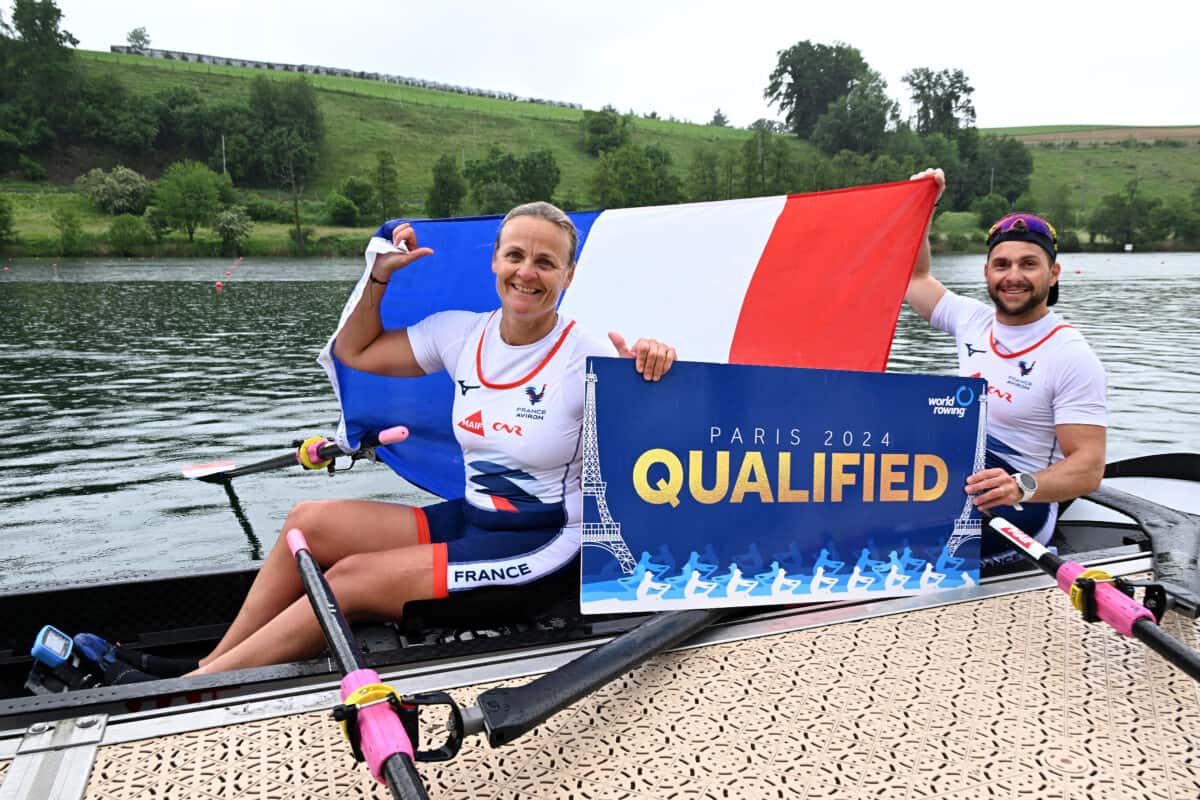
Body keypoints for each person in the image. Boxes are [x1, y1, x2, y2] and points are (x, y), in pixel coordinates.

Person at [81, 202, 677, 682]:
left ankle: (178, 695)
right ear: (495, 262)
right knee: (306, 524)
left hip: (545, 545)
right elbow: (356, 350)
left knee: (352, 579)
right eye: (515, 255)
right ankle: (204, 668)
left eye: (547, 263)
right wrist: (377, 278)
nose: (528, 272)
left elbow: (665, 444)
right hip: (471, 520)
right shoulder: (459, 333)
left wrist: (653, 371)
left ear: (569, 276)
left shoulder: (591, 355)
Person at [906, 169, 1107, 563]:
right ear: (987, 273)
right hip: (961, 473)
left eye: (1029, 264)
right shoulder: (971, 320)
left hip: (1021, 500)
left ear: (1053, 274)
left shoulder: (1070, 354)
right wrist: (922, 207)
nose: (1013, 276)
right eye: (1002, 265)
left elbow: (1088, 467)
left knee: (906, 544)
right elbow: (915, 276)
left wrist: (1020, 485)